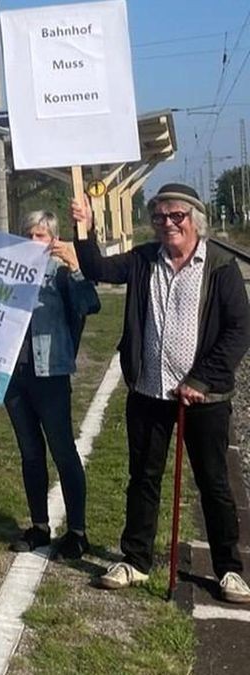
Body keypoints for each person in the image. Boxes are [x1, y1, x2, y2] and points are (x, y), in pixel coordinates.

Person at [74, 184, 250, 602]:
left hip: (202, 399)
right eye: (159, 217)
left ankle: (229, 569)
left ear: (195, 219)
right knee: (143, 479)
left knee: (214, 483)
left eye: (177, 216)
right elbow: (97, 268)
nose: (168, 224)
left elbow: (239, 330)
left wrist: (202, 379)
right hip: (149, 391)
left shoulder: (221, 267)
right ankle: (135, 560)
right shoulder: (142, 260)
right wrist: (84, 230)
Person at [5, 210, 100, 558]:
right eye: (29, 234)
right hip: (14, 375)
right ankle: (39, 525)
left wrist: (76, 268)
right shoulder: (10, 273)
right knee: (30, 452)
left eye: (41, 235)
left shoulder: (61, 273)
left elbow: (90, 304)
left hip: (51, 373)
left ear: (53, 239)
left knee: (63, 450)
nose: (34, 241)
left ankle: (77, 530)